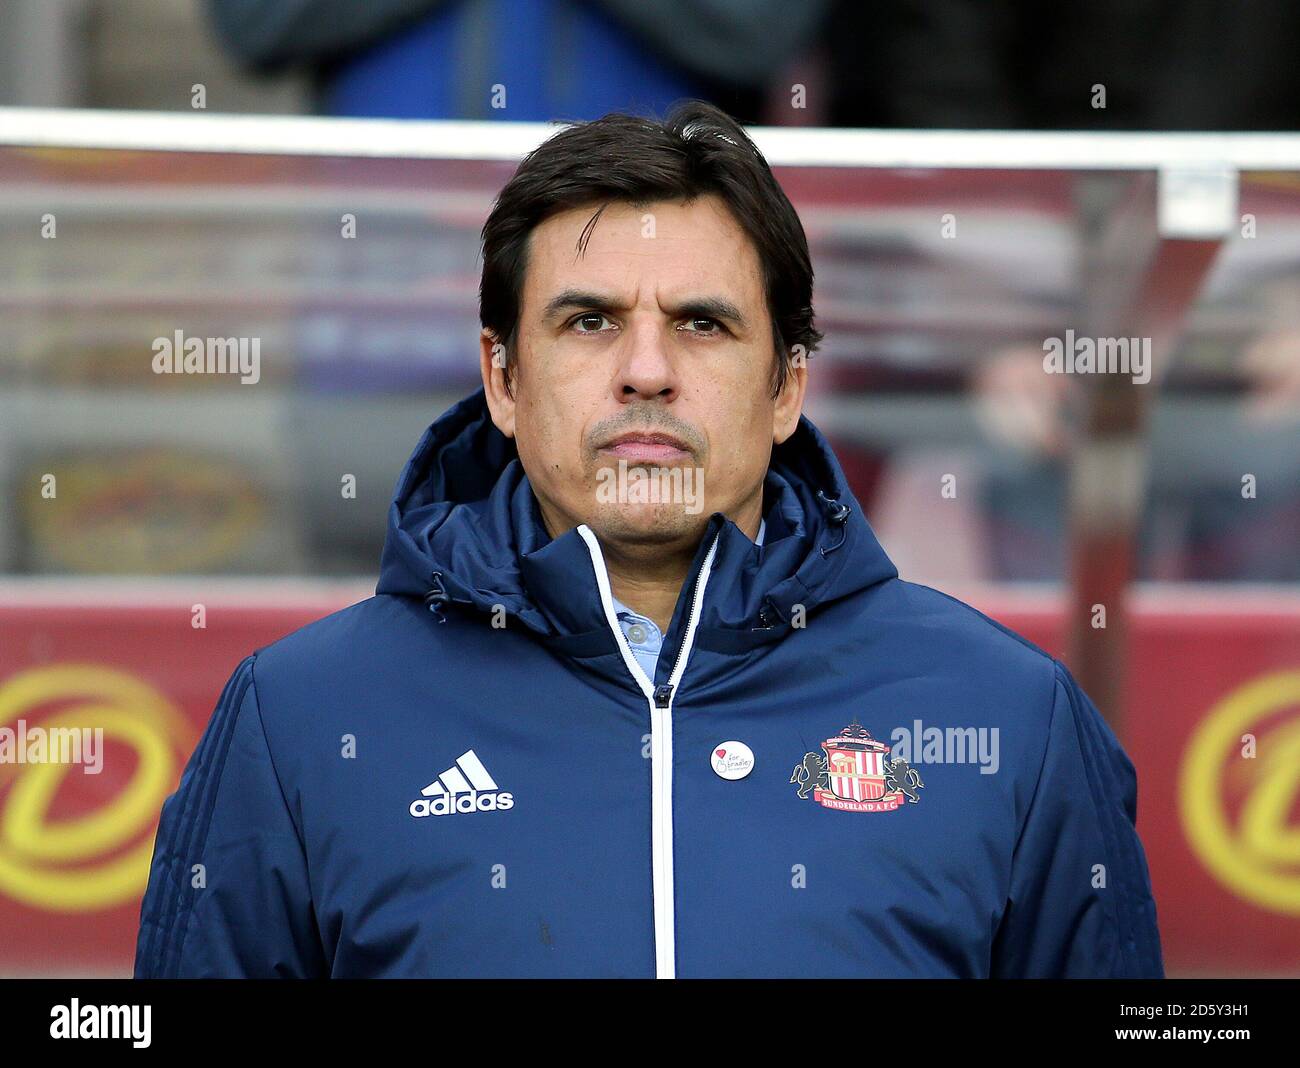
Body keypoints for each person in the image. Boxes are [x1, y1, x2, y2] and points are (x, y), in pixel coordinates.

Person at [134, 100, 1163, 978]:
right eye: (587, 321)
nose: (645, 371)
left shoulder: (1011, 722)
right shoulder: (299, 720)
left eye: (703, 324)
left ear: (785, 386)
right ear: (501, 378)